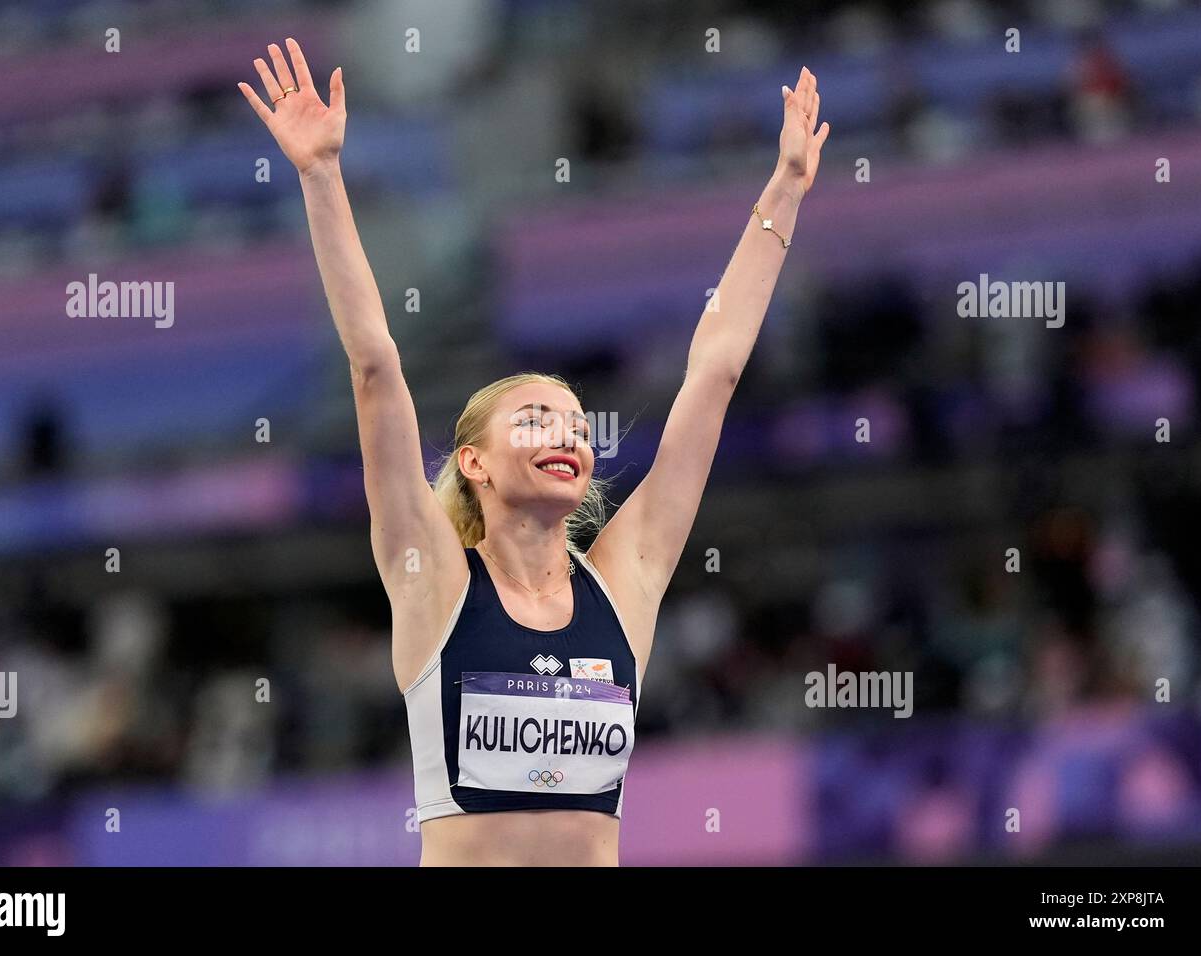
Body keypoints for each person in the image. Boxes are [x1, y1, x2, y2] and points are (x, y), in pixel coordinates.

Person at [239, 39, 829, 865]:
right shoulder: (432, 580)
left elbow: (717, 370)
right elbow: (375, 366)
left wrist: (786, 192)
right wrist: (321, 177)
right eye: (536, 419)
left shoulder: (626, 582)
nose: (567, 434)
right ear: (473, 462)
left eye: (577, 424)